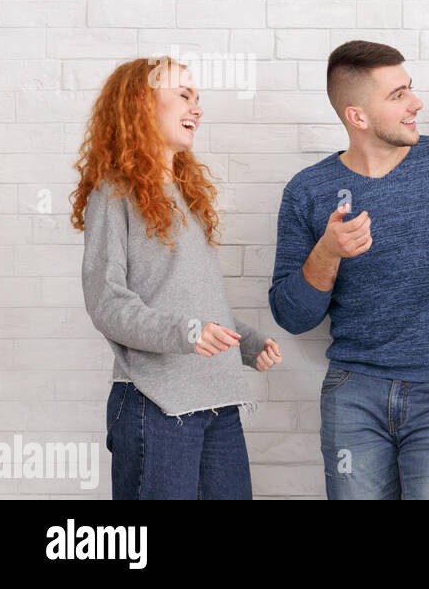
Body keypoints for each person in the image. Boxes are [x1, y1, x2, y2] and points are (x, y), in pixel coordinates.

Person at [268, 40, 429, 500]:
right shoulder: (307, 191)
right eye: (397, 95)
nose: (416, 103)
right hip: (352, 394)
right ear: (358, 117)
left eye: (409, 88)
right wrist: (327, 252)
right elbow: (292, 316)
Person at [73, 57, 283, 500]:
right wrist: (186, 333)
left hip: (219, 401)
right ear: (141, 105)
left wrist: (246, 343)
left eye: (198, 98)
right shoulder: (114, 192)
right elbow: (106, 302)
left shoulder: (186, 197)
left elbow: (199, 306)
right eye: (183, 95)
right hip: (157, 403)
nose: (197, 107)